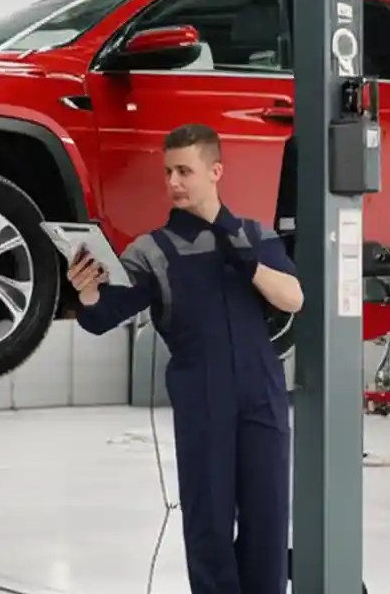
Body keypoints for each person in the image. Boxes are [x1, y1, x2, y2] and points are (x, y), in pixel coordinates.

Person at [69, 123, 304, 594]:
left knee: (268, 524)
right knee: (209, 527)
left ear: (215, 171)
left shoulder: (254, 235)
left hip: (262, 398)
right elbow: (102, 316)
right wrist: (88, 292)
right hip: (203, 400)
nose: (174, 182)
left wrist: (241, 256)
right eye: (168, 172)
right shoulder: (152, 251)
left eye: (184, 171)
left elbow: (293, 297)